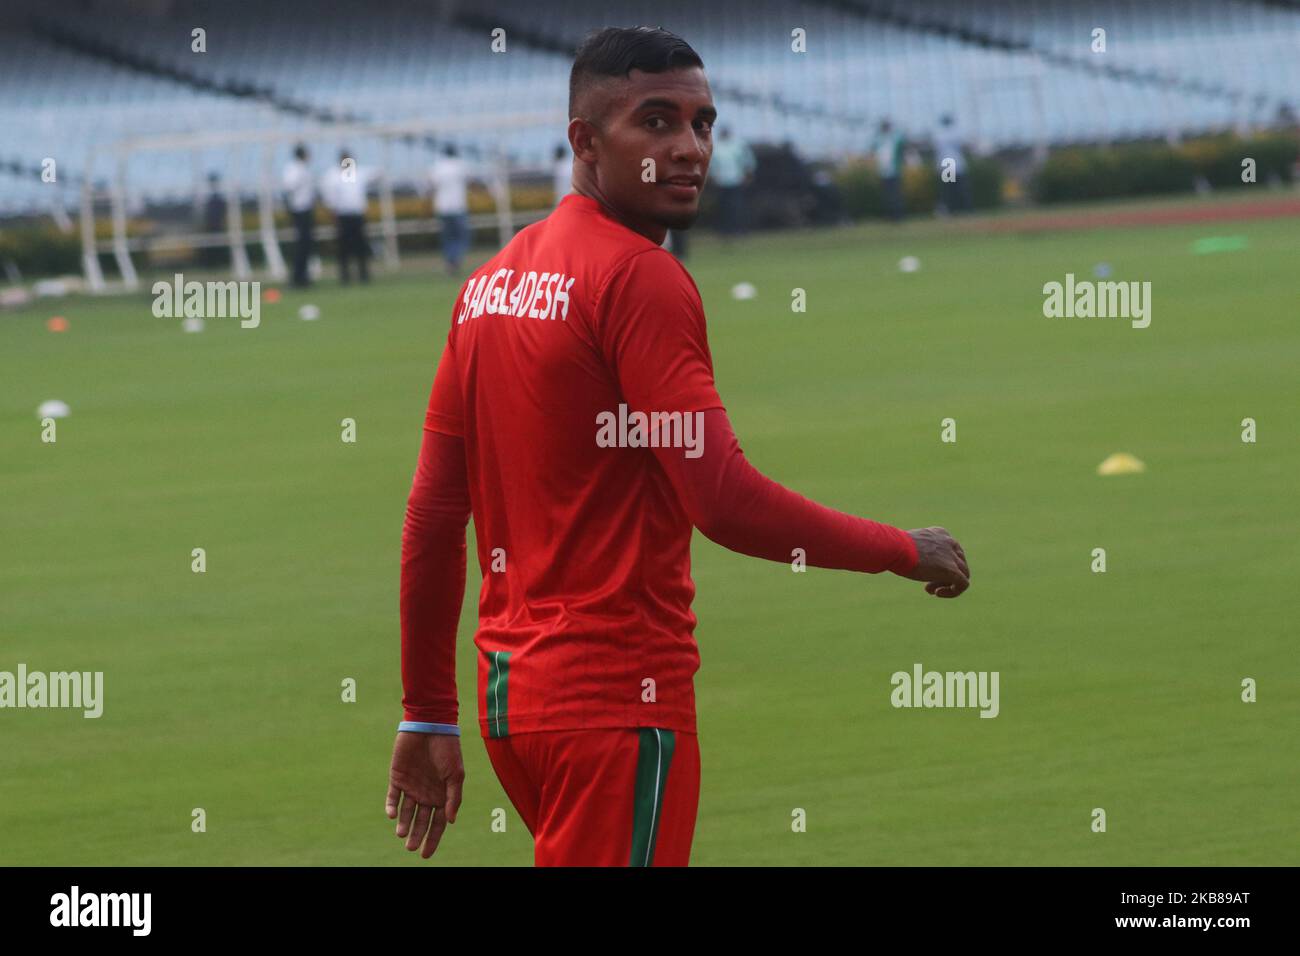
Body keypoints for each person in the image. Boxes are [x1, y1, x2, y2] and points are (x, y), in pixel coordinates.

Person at [387, 25, 969, 867]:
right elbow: (723, 499)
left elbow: (435, 513)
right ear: (585, 140)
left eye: (703, 124)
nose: (689, 148)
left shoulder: (488, 287)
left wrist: (428, 710)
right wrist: (900, 549)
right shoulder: (638, 278)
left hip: (518, 706)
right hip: (615, 699)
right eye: (656, 123)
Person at [322, 148, 370, 283]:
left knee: (360, 246)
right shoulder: (334, 176)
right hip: (343, 216)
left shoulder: (359, 174)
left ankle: (363, 275)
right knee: (343, 248)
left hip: (357, 215)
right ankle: (345, 276)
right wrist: (333, 214)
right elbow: (330, 198)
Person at [429, 144, 471, 275]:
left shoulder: (437, 167)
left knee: (447, 237)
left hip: (443, 207)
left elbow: (431, 186)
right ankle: (455, 259)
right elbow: (470, 181)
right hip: (458, 206)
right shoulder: (460, 166)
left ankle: (450, 260)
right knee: (462, 236)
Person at [710, 126, 755, 238]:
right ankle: (725, 230)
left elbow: (748, 161)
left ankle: (740, 229)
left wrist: (748, 175)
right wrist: (713, 176)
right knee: (723, 207)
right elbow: (712, 164)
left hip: (736, 180)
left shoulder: (738, 145)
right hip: (721, 182)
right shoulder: (716, 147)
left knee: (737, 206)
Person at [282, 144, 315, 287]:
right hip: (299, 210)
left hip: (305, 209)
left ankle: (303, 276)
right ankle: (297, 278)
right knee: (301, 245)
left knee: (306, 245)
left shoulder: (302, 169)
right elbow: (289, 187)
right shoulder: (295, 169)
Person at [933, 114, 971, 215]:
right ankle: (966, 209)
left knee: (948, 190)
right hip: (956, 163)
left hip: (946, 163)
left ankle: (949, 210)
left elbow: (937, 152)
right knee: (961, 189)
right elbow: (963, 146)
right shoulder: (956, 133)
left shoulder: (939, 135)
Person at [873, 119, 905, 222]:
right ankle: (890, 215)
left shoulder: (894, 138)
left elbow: (902, 140)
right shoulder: (879, 139)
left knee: (895, 194)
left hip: (894, 171)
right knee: (887, 195)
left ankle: (897, 215)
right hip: (883, 171)